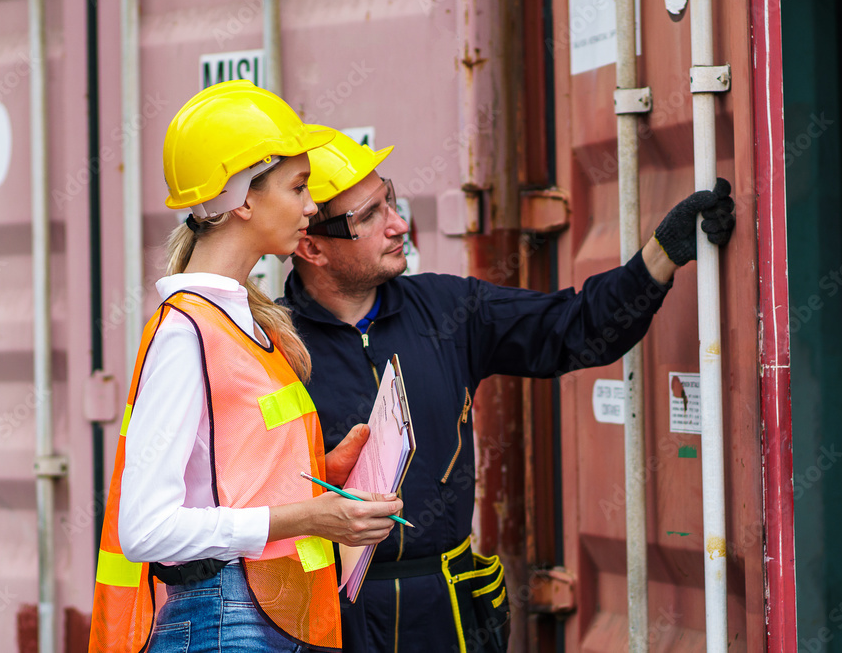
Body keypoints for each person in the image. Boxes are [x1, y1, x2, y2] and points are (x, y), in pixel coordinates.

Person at [280, 128, 735, 652]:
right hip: (333, 622)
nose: (398, 224)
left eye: (391, 199)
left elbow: (575, 327)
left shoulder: (449, 311)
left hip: (448, 619)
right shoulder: (272, 346)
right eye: (370, 216)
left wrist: (661, 255)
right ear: (312, 246)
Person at [89, 83, 404, 653]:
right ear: (242, 200)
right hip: (223, 620)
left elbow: (223, 479)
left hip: (259, 613)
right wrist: (307, 515)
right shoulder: (186, 333)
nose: (312, 206)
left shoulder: (243, 323)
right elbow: (146, 529)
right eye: (299, 186)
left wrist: (328, 474)